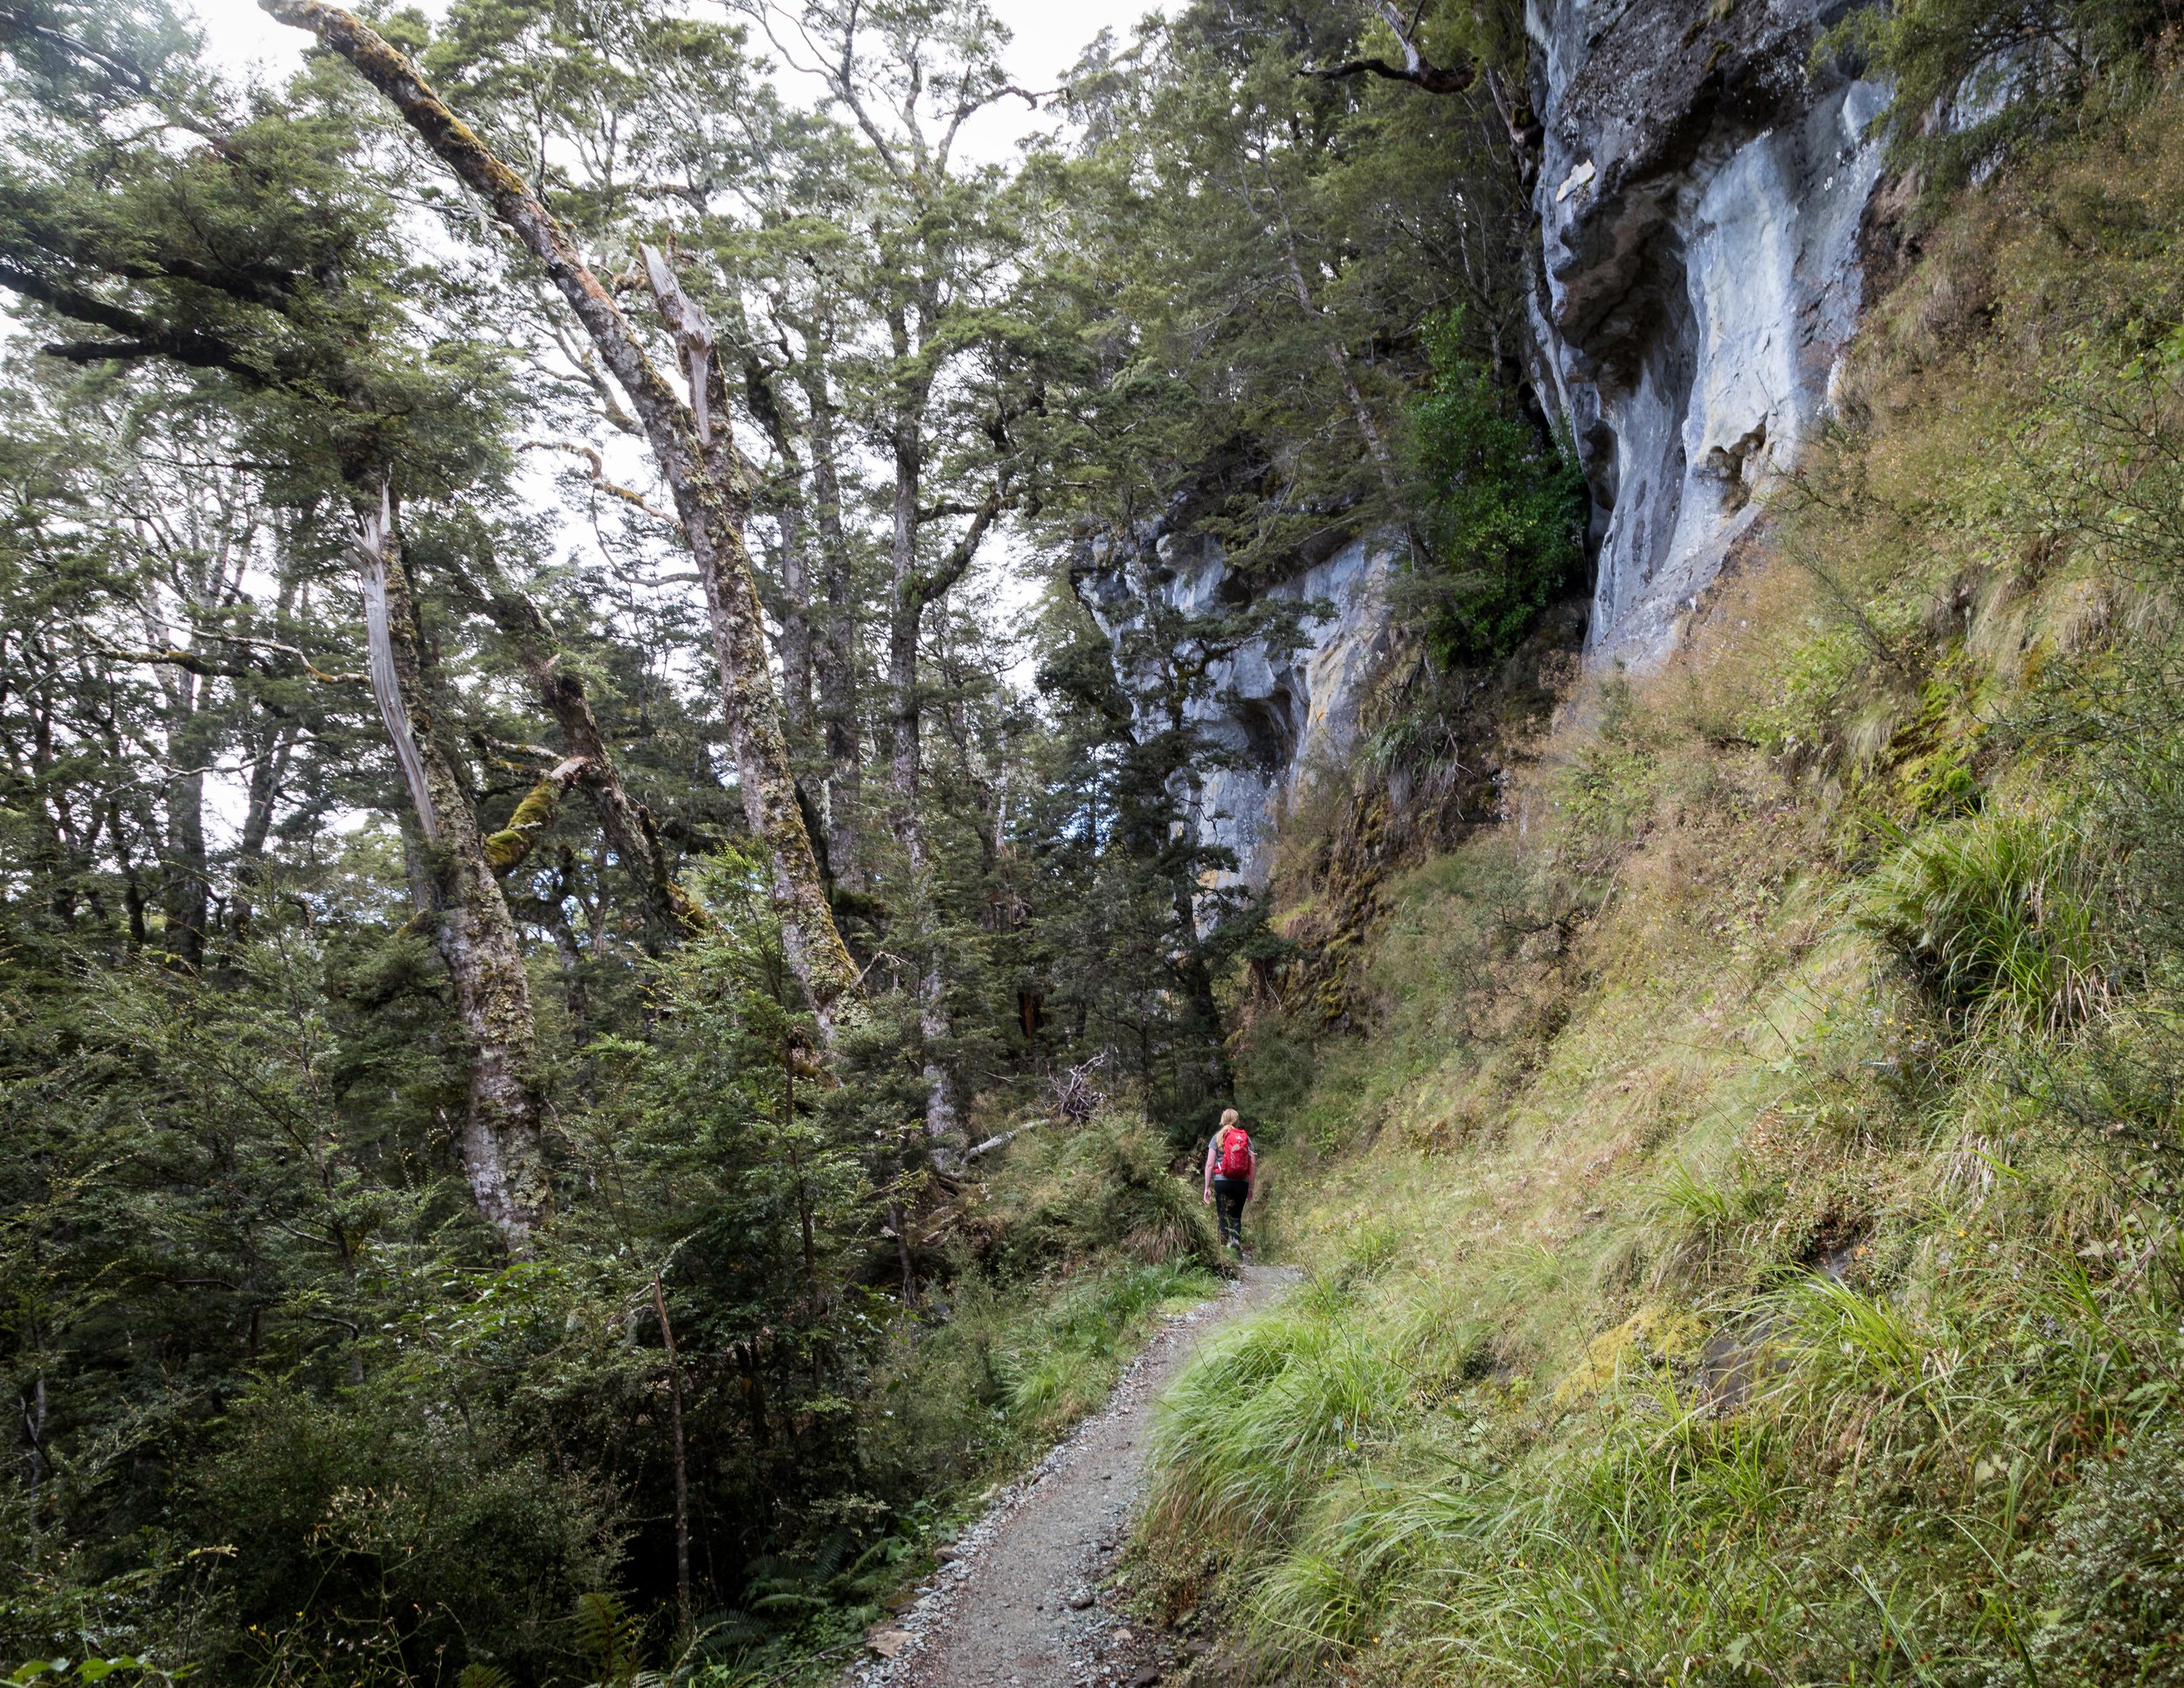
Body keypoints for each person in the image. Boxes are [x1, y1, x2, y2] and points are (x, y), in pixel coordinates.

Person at [1202, 1107, 1255, 1255]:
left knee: (1222, 1214)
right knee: (1236, 1215)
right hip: (1242, 1182)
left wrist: (1207, 1187)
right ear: (1236, 1120)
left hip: (1222, 1181)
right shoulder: (1245, 1138)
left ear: (1222, 1119)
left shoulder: (1217, 1137)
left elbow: (1209, 1164)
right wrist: (1251, 1187)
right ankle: (1235, 1240)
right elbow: (1252, 1163)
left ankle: (1224, 1251)